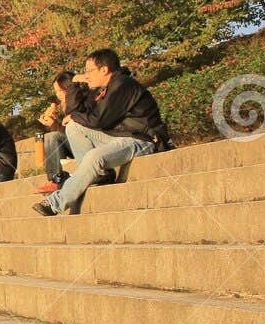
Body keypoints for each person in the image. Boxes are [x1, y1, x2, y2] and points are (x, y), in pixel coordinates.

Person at [34, 48, 171, 218]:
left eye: (89, 71)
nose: (87, 76)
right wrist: (75, 82)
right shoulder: (105, 89)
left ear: (104, 69)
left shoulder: (122, 85)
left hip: (142, 140)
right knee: (74, 127)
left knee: (93, 156)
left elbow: (100, 120)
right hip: (120, 137)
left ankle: (56, 202)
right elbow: (77, 112)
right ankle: (100, 174)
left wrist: (74, 115)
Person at [35, 72, 82, 196]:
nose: (58, 95)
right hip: (75, 143)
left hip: (86, 144)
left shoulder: (80, 102)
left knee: (52, 136)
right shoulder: (64, 107)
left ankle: (56, 179)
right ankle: (54, 179)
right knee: (52, 136)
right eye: (56, 92)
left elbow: (78, 131)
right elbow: (67, 133)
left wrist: (56, 127)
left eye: (60, 91)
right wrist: (53, 125)